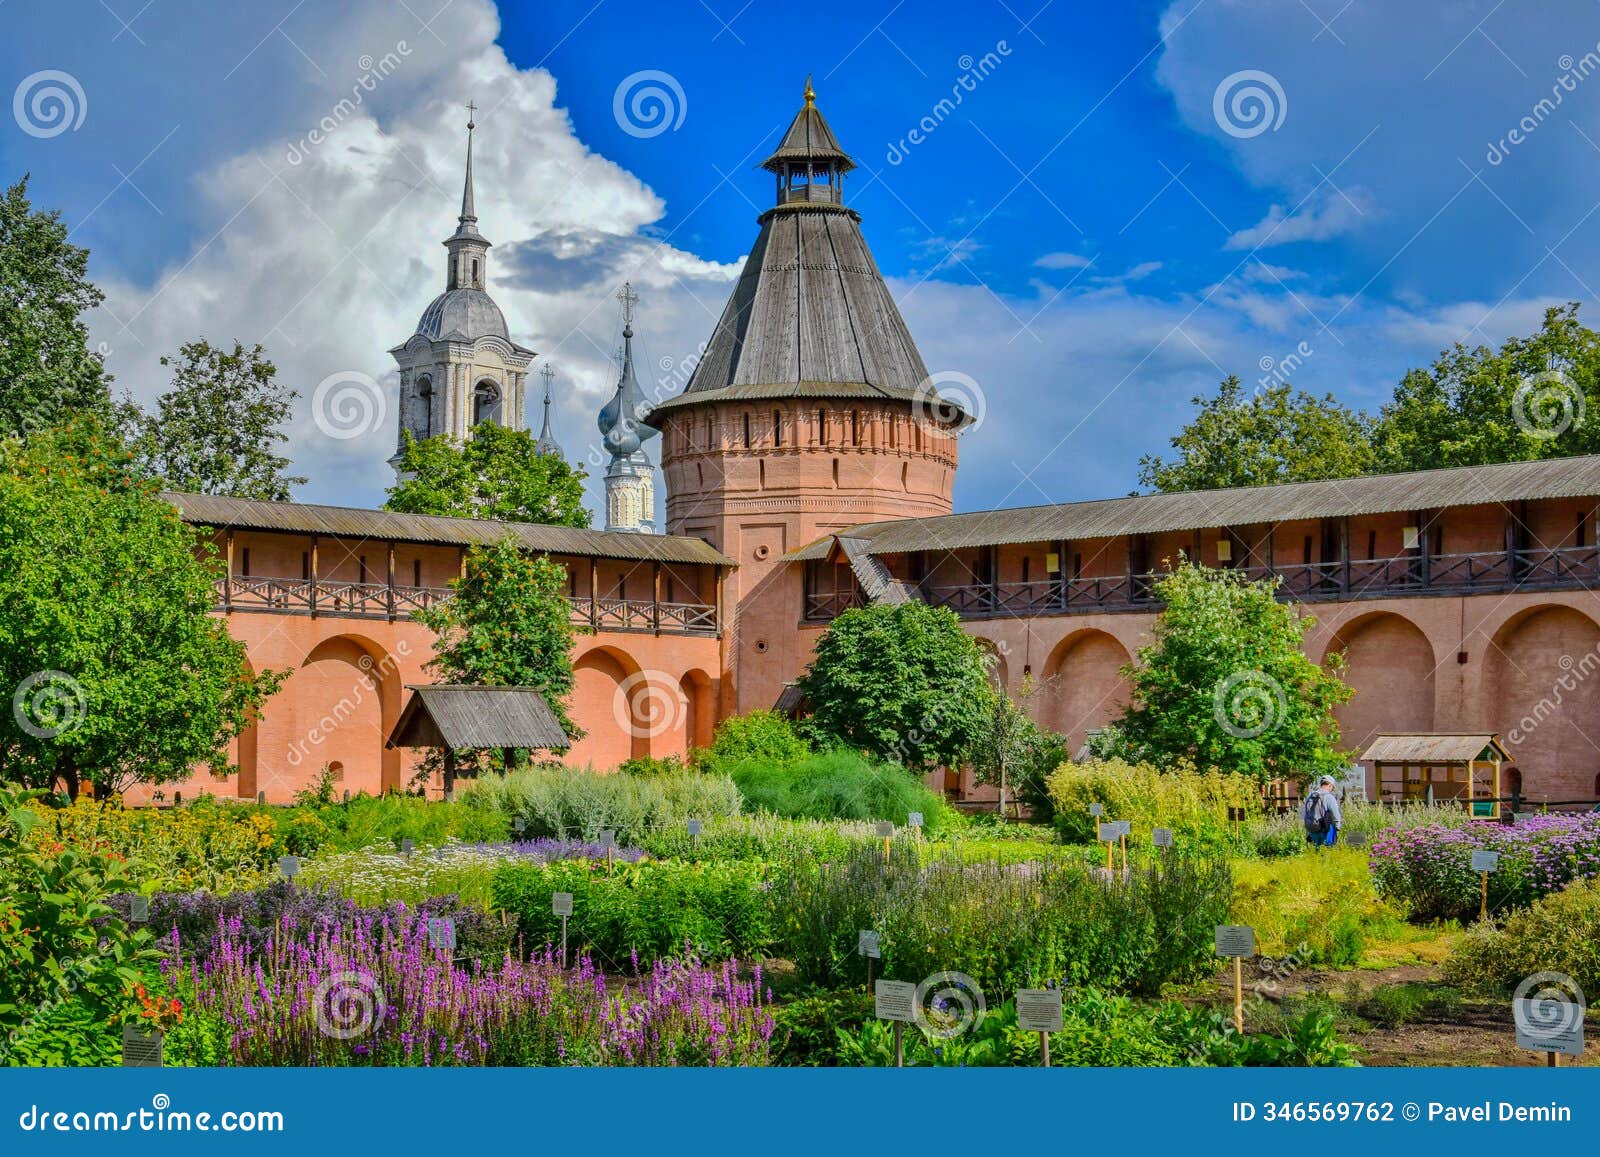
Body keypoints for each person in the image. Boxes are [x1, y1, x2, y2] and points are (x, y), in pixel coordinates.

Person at [1302, 774, 1343, 847]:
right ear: (1330, 785)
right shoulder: (1329, 797)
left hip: (1312, 831)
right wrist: (1337, 828)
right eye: (1332, 788)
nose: (1331, 790)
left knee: (1316, 853)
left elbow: (1305, 814)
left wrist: (1308, 832)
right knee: (1326, 853)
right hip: (1325, 831)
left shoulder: (1310, 796)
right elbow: (1336, 815)